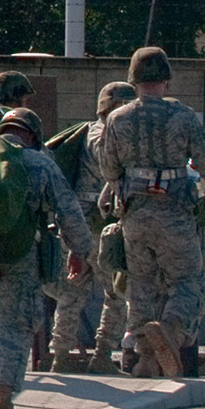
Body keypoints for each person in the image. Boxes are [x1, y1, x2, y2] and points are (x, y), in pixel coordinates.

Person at [88, 47, 205, 381]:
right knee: (189, 283)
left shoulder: (118, 118)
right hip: (175, 210)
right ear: (166, 80)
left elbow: (108, 167)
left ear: (133, 81)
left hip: (134, 213)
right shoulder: (183, 117)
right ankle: (171, 333)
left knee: (141, 285)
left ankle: (145, 358)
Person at [0, 92, 85, 409]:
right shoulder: (40, 163)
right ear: (32, 135)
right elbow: (68, 211)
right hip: (22, 253)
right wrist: (80, 251)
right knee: (17, 323)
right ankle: (4, 399)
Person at [52, 81, 134, 372]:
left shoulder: (89, 130)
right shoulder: (106, 134)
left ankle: (60, 355)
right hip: (102, 224)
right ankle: (101, 355)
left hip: (79, 221)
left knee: (72, 292)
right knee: (116, 292)